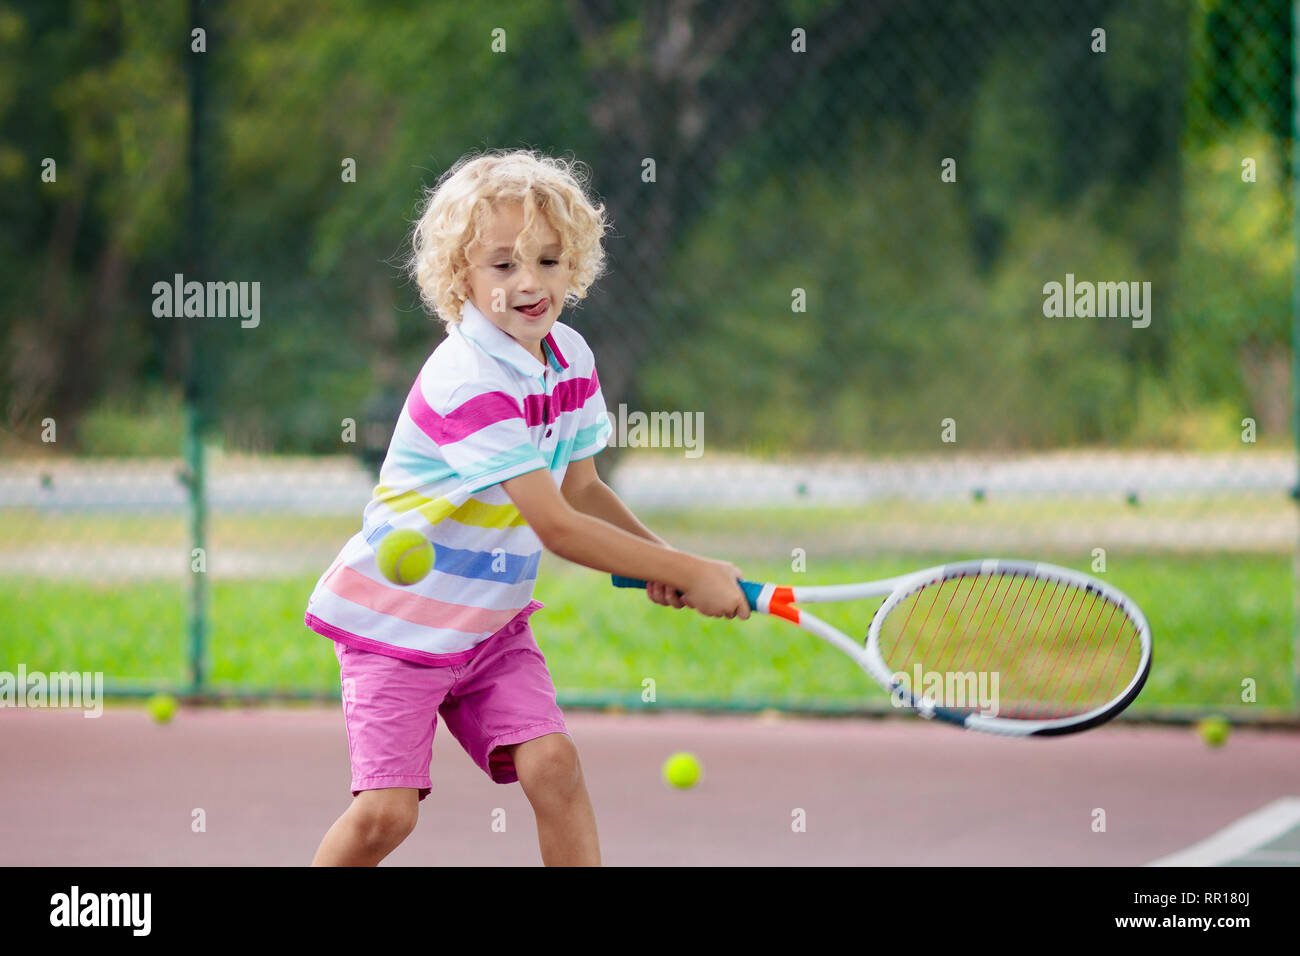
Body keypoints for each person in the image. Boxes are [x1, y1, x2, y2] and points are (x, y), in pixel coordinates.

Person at [305, 148, 749, 866]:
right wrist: (691, 569)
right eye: (503, 264)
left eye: (548, 260)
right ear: (461, 278)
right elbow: (557, 525)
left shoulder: (570, 357)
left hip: (491, 627)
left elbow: (584, 491)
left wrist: (662, 567)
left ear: (575, 265)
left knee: (555, 767)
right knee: (386, 817)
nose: (529, 283)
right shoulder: (467, 378)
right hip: (397, 627)